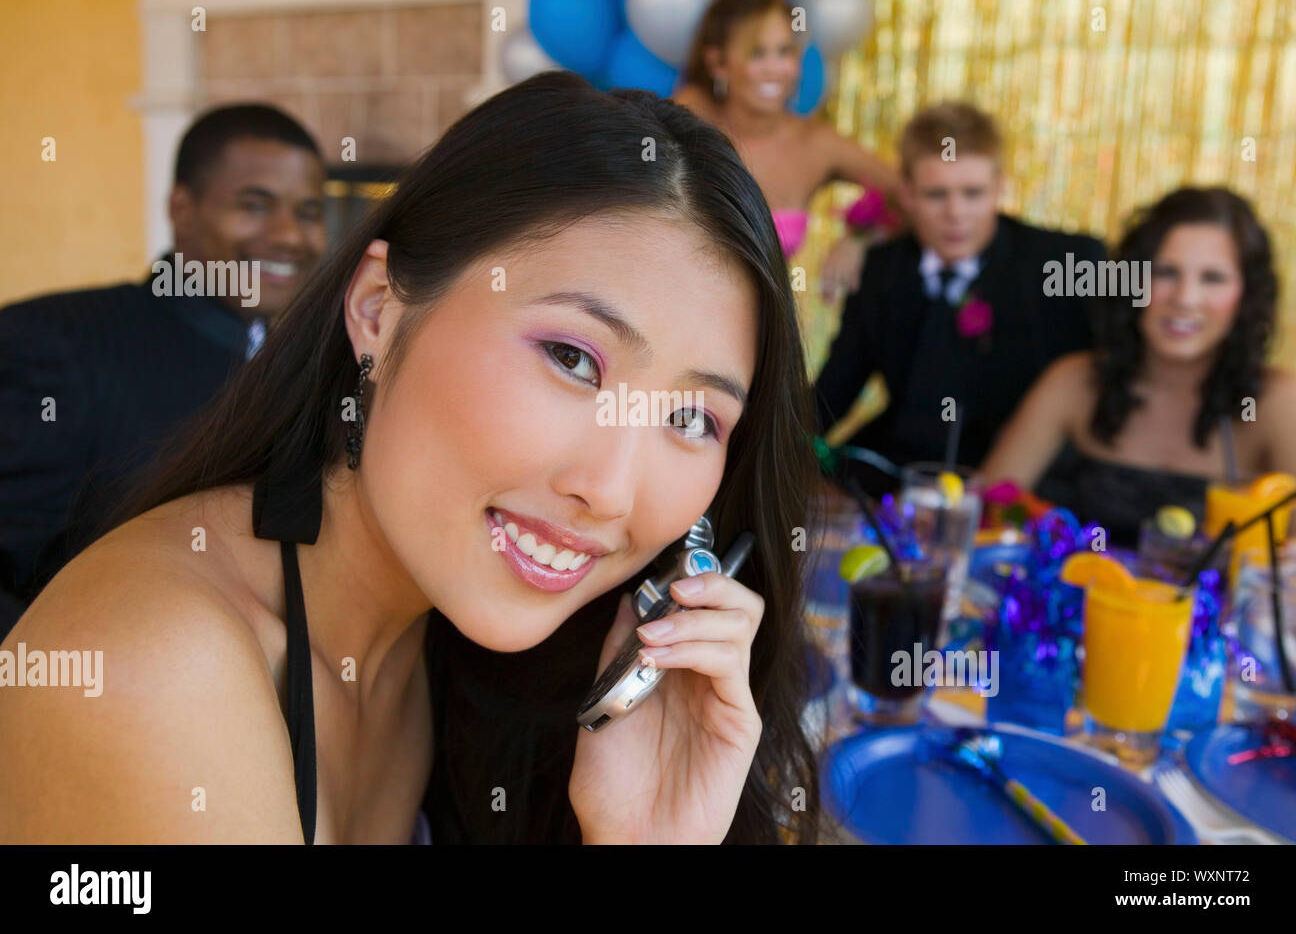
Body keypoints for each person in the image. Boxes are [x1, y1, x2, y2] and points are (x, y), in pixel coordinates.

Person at [0, 71, 824, 844]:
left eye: (689, 417)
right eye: (573, 359)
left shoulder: (453, 637)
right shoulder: (155, 675)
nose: (609, 494)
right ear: (377, 309)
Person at [0, 104, 327, 633]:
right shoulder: (55, 343)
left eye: (309, 212)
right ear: (182, 209)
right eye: (255, 204)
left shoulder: (307, 362)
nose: (290, 235)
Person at [981, 187, 1296, 547]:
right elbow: (987, 503)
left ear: (1246, 297)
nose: (1185, 298)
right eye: (1165, 273)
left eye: (1213, 278)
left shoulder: (1278, 402)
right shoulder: (1074, 381)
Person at [812, 101, 1104, 494]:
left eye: (973, 193)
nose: (956, 213)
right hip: (896, 473)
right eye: (936, 195)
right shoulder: (882, 270)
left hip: (1022, 483)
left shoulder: (1065, 261)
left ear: (1000, 188)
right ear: (907, 193)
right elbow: (833, 393)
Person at [672, 0, 900, 300]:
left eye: (785, 52)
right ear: (718, 64)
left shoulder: (816, 142)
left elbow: (910, 193)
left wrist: (860, 238)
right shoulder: (692, 116)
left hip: (771, 332)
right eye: (757, 53)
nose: (775, 70)